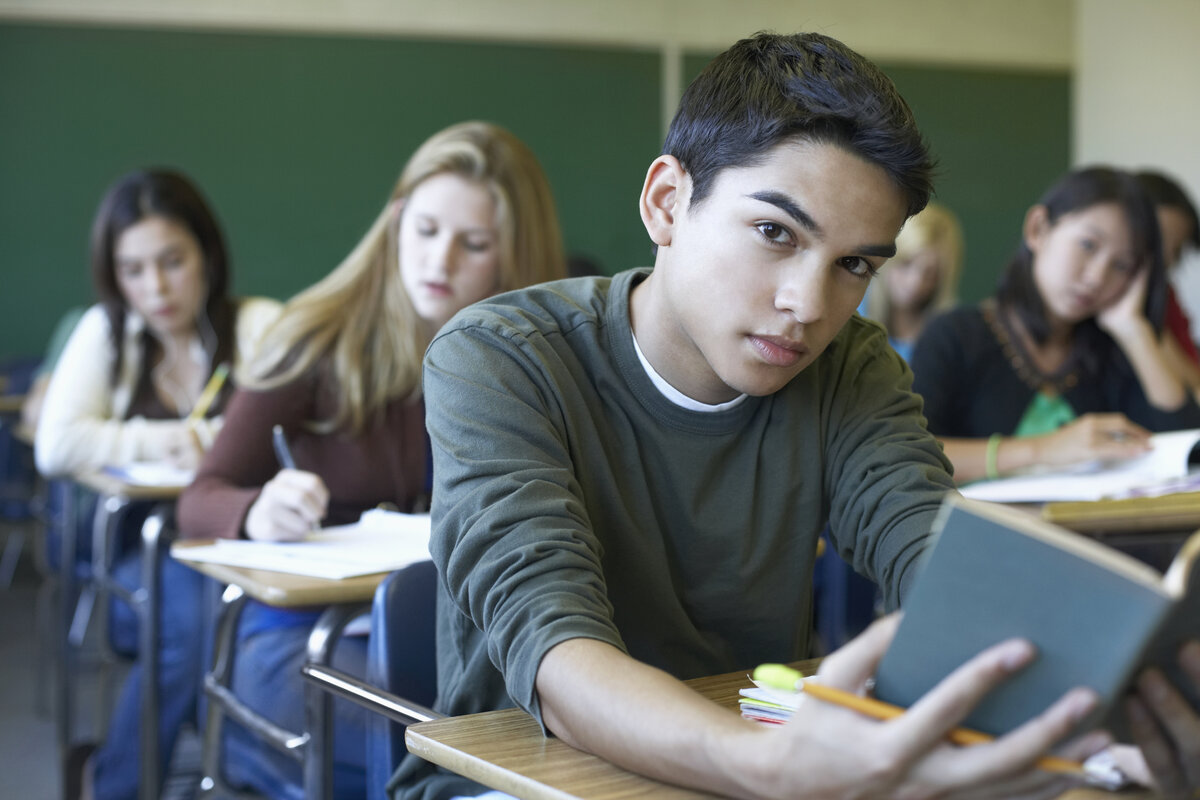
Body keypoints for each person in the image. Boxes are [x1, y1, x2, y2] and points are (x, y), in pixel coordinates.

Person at [386, 32, 1165, 800]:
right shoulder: (500, 357)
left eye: (854, 264)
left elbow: (928, 545)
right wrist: (763, 768)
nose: (807, 305)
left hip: (757, 759)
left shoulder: (850, 367)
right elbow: (555, 653)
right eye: (774, 233)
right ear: (667, 202)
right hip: (516, 775)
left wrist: (1087, 716)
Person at [176, 120, 566, 800]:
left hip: (461, 646)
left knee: (538, 745)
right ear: (394, 223)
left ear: (515, 258)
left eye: (473, 244)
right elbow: (200, 495)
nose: (438, 261)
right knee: (461, 761)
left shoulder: (531, 360)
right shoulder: (313, 335)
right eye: (424, 231)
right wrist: (255, 510)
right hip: (306, 644)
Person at [35, 169, 281, 800]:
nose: (156, 287)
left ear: (208, 253)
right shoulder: (107, 334)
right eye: (134, 269)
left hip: (242, 537)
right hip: (137, 547)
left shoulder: (256, 325)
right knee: (191, 609)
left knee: (216, 610)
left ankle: (122, 778)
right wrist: (158, 440)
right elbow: (57, 444)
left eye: (172, 261)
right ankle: (137, 784)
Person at [911, 166, 1200, 485]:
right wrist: (1043, 450)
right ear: (1038, 228)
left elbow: (1183, 446)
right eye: (1088, 245)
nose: (1096, 278)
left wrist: (1134, 329)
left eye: (1121, 265)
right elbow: (910, 453)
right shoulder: (955, 335)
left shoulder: (1110, 351)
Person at [863, 201, 963, 361]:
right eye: (905, 264)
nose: (915, 282)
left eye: (931, 273)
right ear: (887, 258)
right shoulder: (852, 308)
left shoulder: (953, 334)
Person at [1135, 170, 1200, 395]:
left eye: (1177, 249)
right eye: (1157, 241)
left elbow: (1194, 382)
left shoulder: (1166, 297)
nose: (1167, 259)